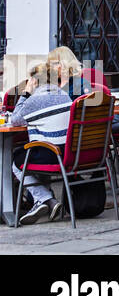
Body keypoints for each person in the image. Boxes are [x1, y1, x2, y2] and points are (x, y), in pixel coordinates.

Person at [9, 63, 71, 223]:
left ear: (35, 81)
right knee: (31, 150)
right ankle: (45, 201)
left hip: (52, 155)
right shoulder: (64, 95)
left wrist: (26, 92)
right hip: (69, 153)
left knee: (16, 160)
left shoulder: (35, 100)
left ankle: (45, 199)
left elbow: (15, 119)